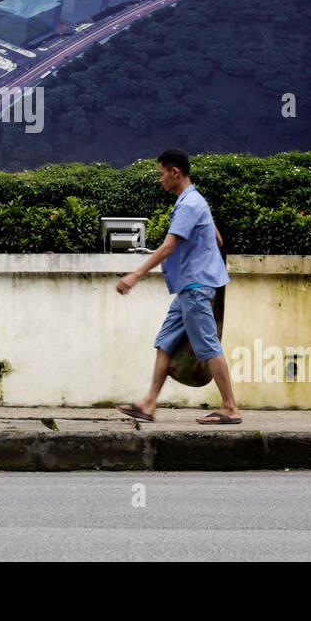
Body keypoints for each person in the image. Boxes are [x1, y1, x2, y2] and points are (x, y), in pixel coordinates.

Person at [115, 148, 241, 426]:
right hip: (188, 287)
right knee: (165, 342)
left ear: (175, 172)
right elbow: (217, 239)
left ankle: (230, 408)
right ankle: (148, 404)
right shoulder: (196, 201)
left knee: (208, 346)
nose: (160, 180)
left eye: (162, 174)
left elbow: (168, 246)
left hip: (195, 287)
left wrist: (135, 275)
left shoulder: (189, 205)